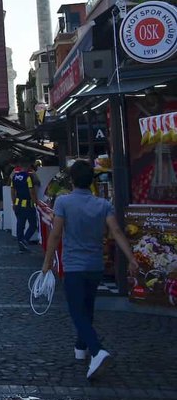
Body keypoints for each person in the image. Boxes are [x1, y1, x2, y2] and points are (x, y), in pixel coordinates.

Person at [42, 160, 138, 380]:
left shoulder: (63, 202)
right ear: (92, 181)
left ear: (72, 180)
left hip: (74, 266)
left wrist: (48, 262)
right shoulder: (102, 204)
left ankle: (96, 350)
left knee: (77, 311)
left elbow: (56, 234)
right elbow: (116, 231)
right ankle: (80, 348)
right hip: (95, 266)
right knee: (87, 307)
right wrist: (131, 258)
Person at [11, 161, 39, 252]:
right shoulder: (28, 177)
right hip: (28, 204)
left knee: (20, 225)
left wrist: (14, 202)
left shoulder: (14, 177)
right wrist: (36, 202)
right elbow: (31, 191)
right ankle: (25, 240)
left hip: (18, 204)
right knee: (33, 224)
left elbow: (12, 191)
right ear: (28, 167)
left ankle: (21, 246)